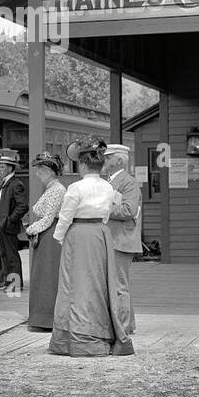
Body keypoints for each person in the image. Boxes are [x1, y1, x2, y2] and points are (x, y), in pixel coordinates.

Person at [49, 137, 134, 356]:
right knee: (99, 283)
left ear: (83, 165)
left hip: (78, 234)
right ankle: (101, 333)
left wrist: (59, 237)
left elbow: (65, 216)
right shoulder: (108, 186)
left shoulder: (75, 188)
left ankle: (71, 338)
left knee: (73, 284)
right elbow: (107, 212)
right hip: (100, 234)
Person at [24, 152, 67, 331]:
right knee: (43, 275)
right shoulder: (52, 188)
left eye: (41, 169)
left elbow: (48, 218)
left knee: (47, 276)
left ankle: (46, 319)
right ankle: (41, 317)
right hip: (47, 234)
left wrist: (30, 229)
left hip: (50, 235)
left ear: (50, 170)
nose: (37, 173)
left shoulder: (57, 190)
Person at [103, 143, 141, 336]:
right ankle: (126, 323)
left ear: (119, 160)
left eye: (108, 157)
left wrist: (102, 209)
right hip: (116, 239)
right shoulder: (113, 181)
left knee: (119, 285)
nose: (104, 160)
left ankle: (123, 326)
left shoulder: (128, 182)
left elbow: (129, 210)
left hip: (121, 239)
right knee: (118, 284)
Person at [0, 151, 28, 291]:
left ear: (10, 168)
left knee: (11, 256)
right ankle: (8, 282)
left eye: (2, 167)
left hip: (7, 225)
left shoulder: (15, 184)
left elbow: (23, 206)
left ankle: (15, 285)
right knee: (5, 255)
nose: (0, 169)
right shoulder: (5, 182)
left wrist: (10, 220)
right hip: (1, 224)